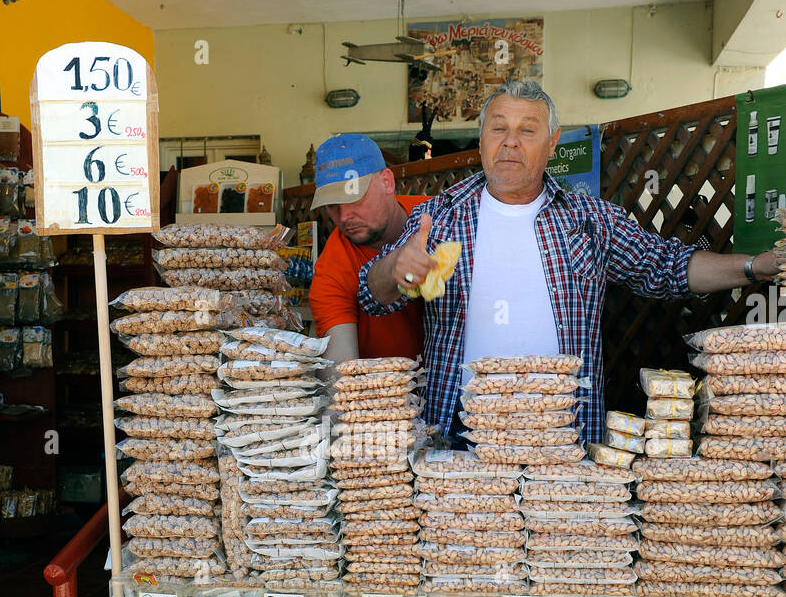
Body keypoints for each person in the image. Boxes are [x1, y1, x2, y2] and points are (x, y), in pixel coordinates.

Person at [358, 80, 784, 445]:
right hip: (459, 432)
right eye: (498, 128)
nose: (510, 141)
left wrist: (753, 268)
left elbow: (668, 267)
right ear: (482, 138)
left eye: (527, 129)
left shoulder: (589, 219)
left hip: (564, 435)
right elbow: (370, 295)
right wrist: (395, 266)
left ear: (552, 142)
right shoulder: (442, 216)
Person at [308, 134, 425, 364]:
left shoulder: (441, 216)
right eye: (332, 206)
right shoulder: (331, 270)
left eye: (354, 199)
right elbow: (340, 371)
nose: (344, 217)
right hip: (381, 395)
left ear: (387, 182)